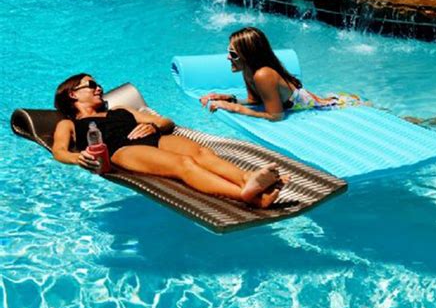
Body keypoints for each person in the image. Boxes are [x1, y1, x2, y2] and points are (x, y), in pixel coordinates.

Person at [52, 73, 284, 208]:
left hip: (155, 137)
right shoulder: (69, 124)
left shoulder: (120, 109)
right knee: (184, 164)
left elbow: (166, 121)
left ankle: (246, 179)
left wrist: (153, 125)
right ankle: (247, 197)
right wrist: (78, 158)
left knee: (202, 153)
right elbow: (59, 151)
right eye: (92, 85)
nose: (99, 88)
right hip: (121, 149)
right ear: (73, 94)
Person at [199, 27, 359, 121]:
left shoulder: (263, 74)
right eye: (229, 51)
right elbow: (255, 101)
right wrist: (230, 99)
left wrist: (235, 108)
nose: (228, 57)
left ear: (248, 56)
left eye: (233, 54)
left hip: (335, 107)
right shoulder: (249, 70)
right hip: (323, 102)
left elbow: (276, 116)